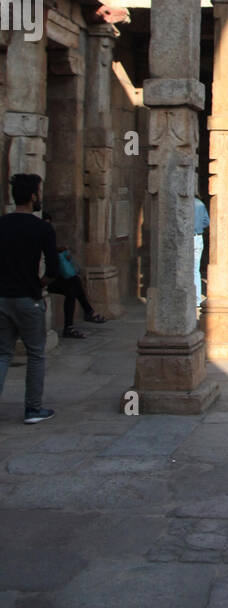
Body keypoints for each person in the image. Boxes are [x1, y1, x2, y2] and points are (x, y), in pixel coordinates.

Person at [0, 173, 60, 424]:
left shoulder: (1, 224)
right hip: (29, 298)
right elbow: (54, 269)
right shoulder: (42, 228)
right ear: (33, 196)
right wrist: (40, 284)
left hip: (2, 297)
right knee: (36, 354)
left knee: (3, 354)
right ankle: (33, 409)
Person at [42, 214, 106, 338]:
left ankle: (70, 326)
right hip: (40, 280)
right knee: (73, 283)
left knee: (72, 286)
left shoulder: (47, 236)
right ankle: (88, 312)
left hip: (48, 277)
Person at [194, 195, 209, 309]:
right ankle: (197, 299)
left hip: (185, 238)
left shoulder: (184, 203)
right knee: (195, 270)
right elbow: (206, 222)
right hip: (198, 238)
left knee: (183, 269)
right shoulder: (200, 204)